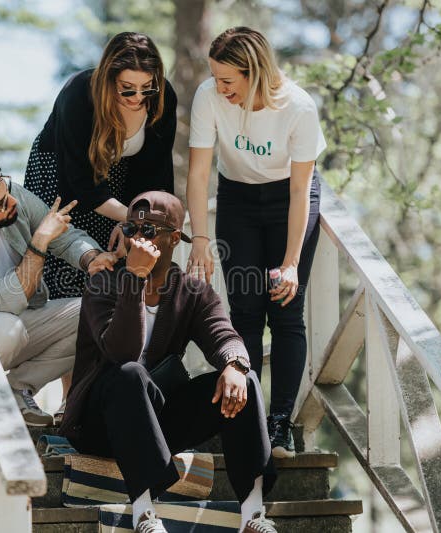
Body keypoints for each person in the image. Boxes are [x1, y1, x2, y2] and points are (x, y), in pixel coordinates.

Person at [60, 191, 278, 533]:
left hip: (154, 421)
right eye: (131, 230)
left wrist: (235, 364)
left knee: (244, 381)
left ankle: (252, 516)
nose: (138, 239)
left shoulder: (191, 291)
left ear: (174, 239)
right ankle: (144, 514)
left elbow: (224, 335)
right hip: (99, 424)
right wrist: (134, 278)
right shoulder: (104, 283)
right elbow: (122, 354)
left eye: (149, 232)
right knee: (130, 373)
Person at [185, 27, 327, 458]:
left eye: (228, 79)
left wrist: (289, 262)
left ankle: (280, 422)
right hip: (238, 199)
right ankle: (248, 420)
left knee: (284, 309)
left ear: (255, 72)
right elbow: (197, 173)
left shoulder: (298, 108)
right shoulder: (209, 97)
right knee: (245, 310)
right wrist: (200, 237)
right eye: (215, 76)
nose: (219, 87)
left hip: (289, 198)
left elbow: (302, 191)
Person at [0, 155, 115, 426]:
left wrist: (91, 257)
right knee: (9, 329)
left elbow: (65, 237)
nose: (13, 201)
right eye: (1, 204)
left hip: (23, 316)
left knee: (95, 313)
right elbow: (6, 300)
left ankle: (18, 388)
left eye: (6, 190)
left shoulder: (11, 194)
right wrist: (41, 238)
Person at [24, 31, 177, 299]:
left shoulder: (163, 98)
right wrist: (132, 217)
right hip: (64, 176)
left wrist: (132, 221)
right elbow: (82, 183)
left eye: (147, 87)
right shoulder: (78, 94)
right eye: (127, 88)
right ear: (108, 78)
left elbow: (155, 172)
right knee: (72, 258)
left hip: (120, 180)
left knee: (118, 260)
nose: (137, 97)